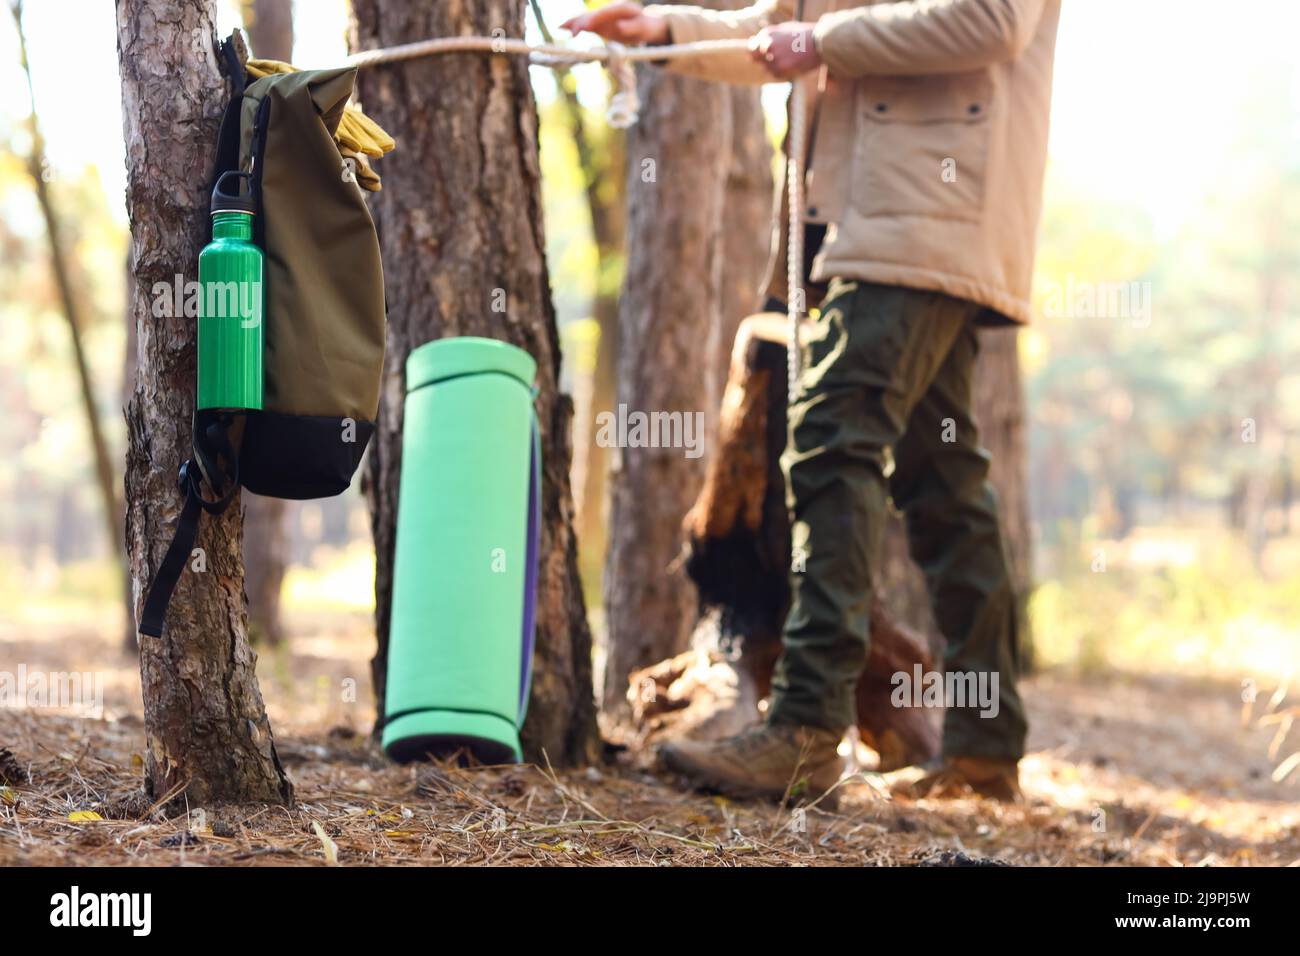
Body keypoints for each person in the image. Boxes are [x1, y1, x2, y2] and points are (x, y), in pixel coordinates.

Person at [566, 0, 1061, 802]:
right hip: (892, 223)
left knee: (831, 439)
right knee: (943, 484)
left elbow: (993, 20)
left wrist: (820, 41)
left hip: (923, 223)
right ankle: (984, 746)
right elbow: (784, 30)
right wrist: (663, 32)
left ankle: (804, 728)